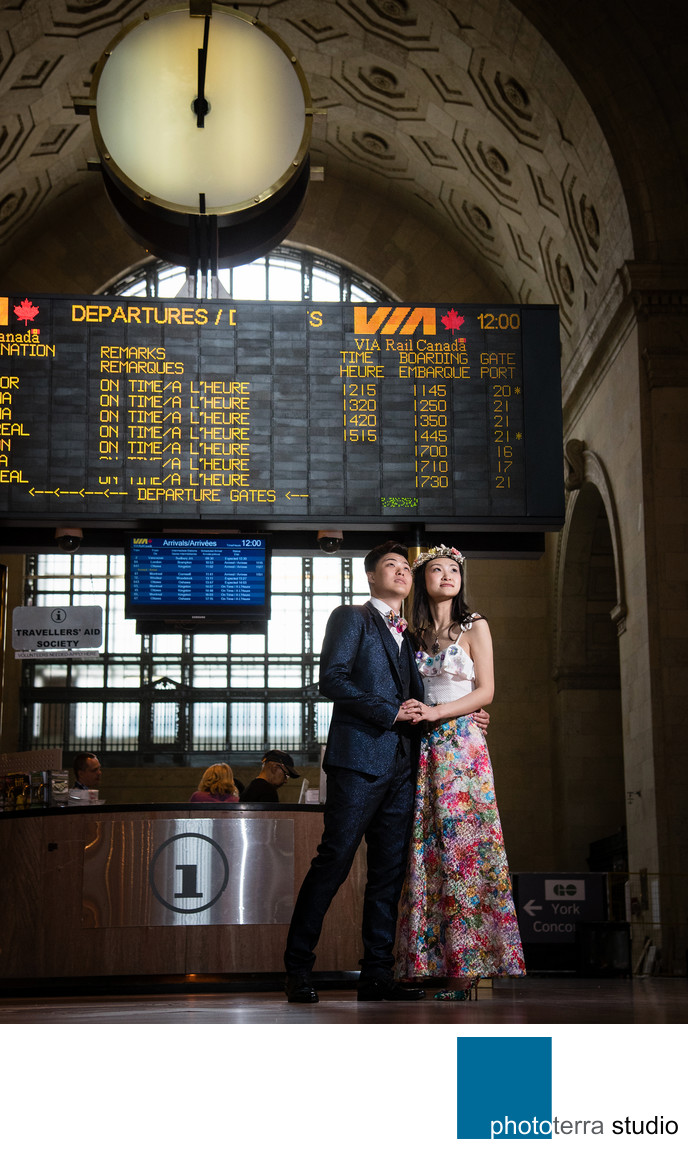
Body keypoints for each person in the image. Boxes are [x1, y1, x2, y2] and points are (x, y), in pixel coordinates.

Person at [284, 541, 455, 1004]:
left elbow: (433, 693)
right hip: (358, 761)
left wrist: (468, 714)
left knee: (388, 873)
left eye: (405, 566)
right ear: (371, 577)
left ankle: (376, 974)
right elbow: (332, 680)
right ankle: (298, 969)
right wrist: (390, 712)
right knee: (333, 862)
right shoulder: (351, 617)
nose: (401, 571)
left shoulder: (412, 636)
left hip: (404, 766)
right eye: (390, 566)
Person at [395, 544, 525, 1000]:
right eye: (437, 569)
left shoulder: (476, 625)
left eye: (454, 569)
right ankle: (425, 965)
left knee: (464, 850)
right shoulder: (409, 633)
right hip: (421, 750)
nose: (448, 575)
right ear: (422, 579)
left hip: (462, 749)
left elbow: (486, 690)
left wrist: (440, 712)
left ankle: (466, 971)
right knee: (425, 849)